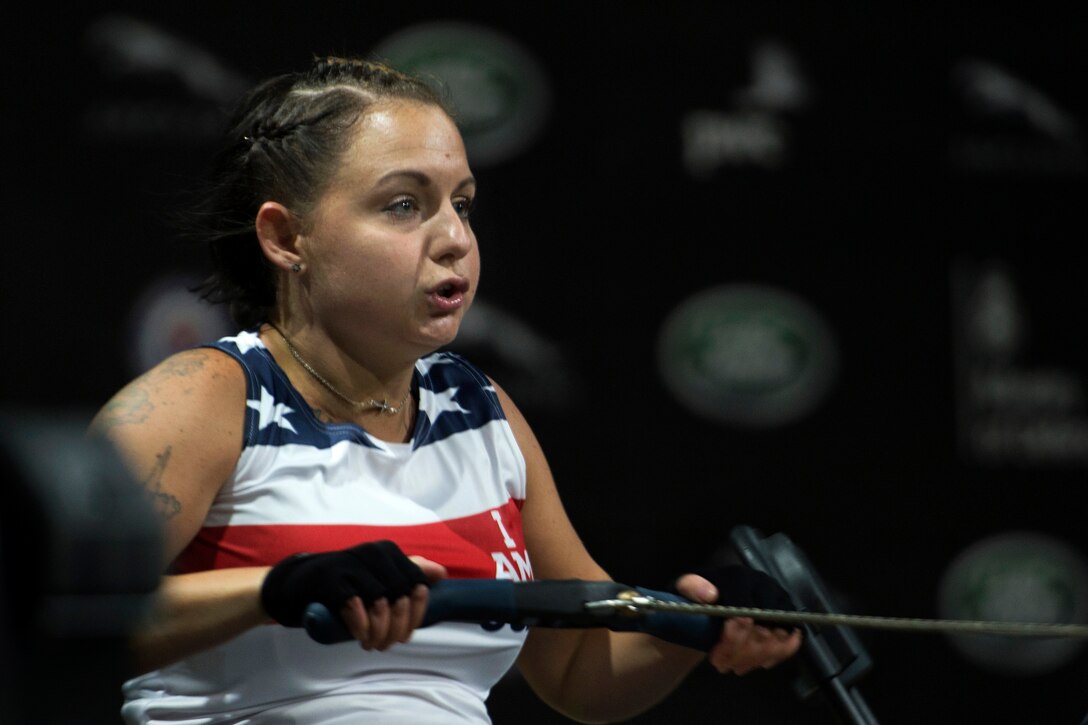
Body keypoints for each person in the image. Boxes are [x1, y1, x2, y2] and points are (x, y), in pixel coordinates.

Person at [90, 55, 802, 724]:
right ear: (286, 237)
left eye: (461, 204)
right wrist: (276, 588)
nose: (455, 237)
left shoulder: (480, 411)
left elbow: (579, 664)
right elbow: (58, 615)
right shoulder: (203, 399)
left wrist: (696, 625)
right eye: (404, 204)